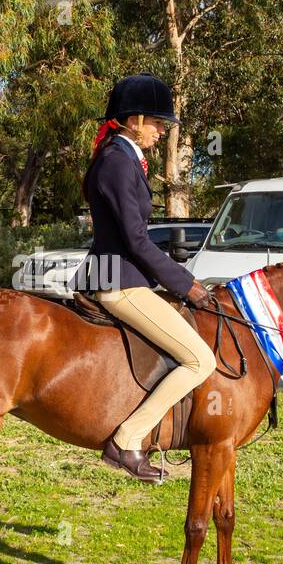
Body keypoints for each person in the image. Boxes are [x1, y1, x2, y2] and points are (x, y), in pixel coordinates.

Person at [70, 72, 216, 482]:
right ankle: (128, 439)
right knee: (200, 359)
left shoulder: (123, 158)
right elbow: (135, 240)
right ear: (134, 120)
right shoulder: (117, 162)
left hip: (122, 275)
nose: (161, 130)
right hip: (119, 283)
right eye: (156, 122)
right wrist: (185, 284)